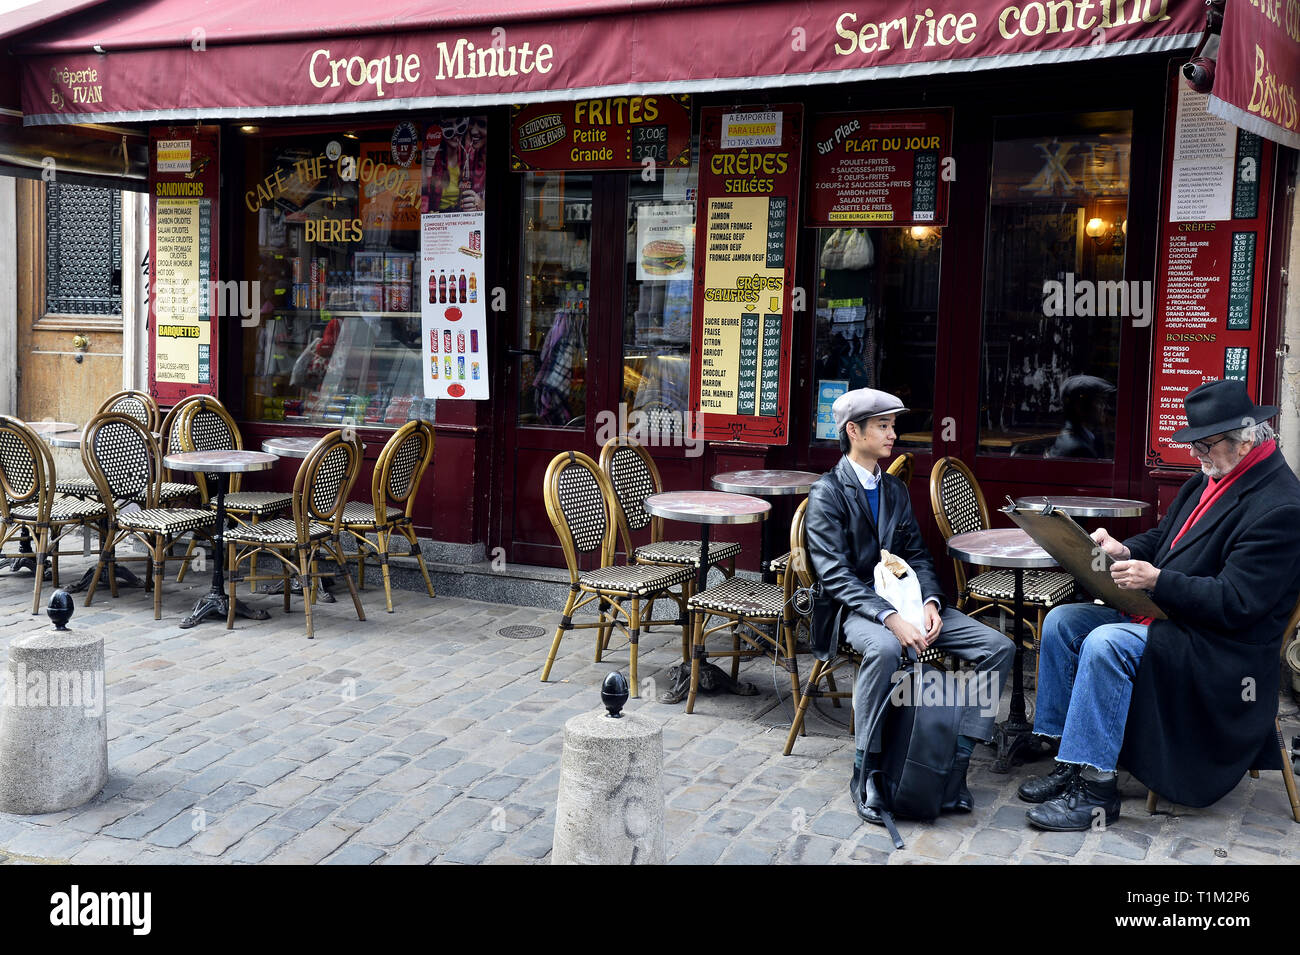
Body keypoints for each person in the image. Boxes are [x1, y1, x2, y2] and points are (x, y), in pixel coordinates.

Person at [1018, 378, 1300, 830]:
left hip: (1220, 648)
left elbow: (1238, 603)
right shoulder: (1211, 476)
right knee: (1063, 621)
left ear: (1244, 439)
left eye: (1205, 446)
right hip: (1172, 617)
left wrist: (1159, 581)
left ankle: (1096, 791)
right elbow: (1166, 539)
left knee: (1107, 643)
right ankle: (1068, 756)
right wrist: (1125, 551)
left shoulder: (1280, 506)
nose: (1197, 455)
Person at [805, 387, 1014, 826]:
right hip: (856, 611)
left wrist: (931, 602)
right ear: (853, 431)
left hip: (909, 602)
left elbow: (918, 555)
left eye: (892, 425)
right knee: (884, 649)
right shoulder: (827, 492)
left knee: (998, 646)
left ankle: (955, 765)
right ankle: (867, 772)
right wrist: (890, 618)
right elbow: (834, 575)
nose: (892, 434)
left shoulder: (895, 490)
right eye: (883, 426)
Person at [1046, 374, 1114, 459]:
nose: (1103, 407)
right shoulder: (1079, 448)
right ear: (1079, 407)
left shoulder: (1078, 435)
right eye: (1099, 401)